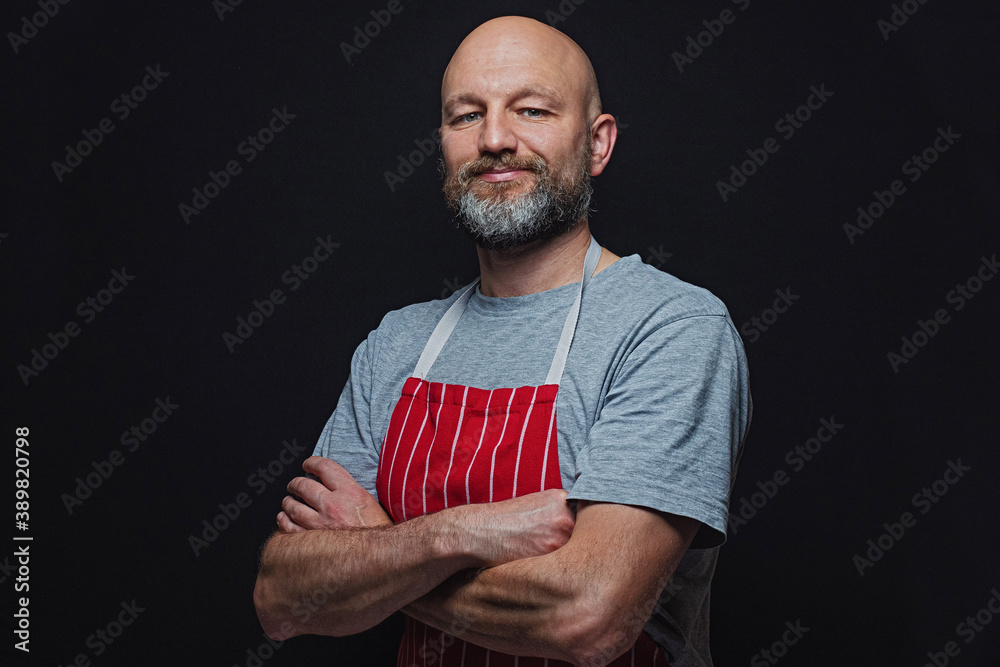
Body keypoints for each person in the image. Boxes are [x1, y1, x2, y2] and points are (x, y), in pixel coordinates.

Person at [253, 15, 750, 667]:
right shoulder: (396, 343)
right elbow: (283, 596)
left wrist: (379, 551)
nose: (493, 137)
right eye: (466, 116)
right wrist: (452, 534)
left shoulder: (668, 327)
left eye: (532, 110)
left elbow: (590, 615)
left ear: (597, 144)